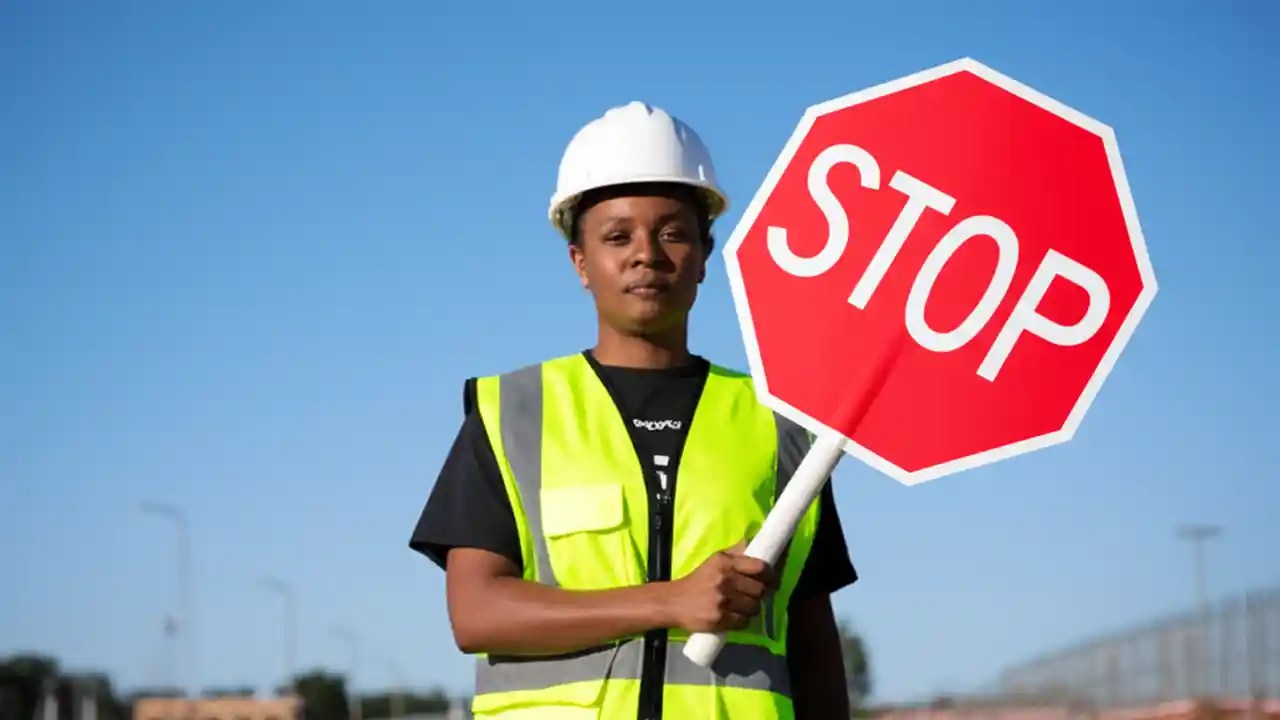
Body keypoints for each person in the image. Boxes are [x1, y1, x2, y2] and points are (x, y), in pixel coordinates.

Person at [409, 101, 859, 719]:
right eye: (617, 236)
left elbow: (813, 645)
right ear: (580, 262)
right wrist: (669, 602)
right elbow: (476, 613)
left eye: (672, 232)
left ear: (705, 254)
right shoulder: (509, 413)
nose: (645, 253)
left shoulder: (779, 423)